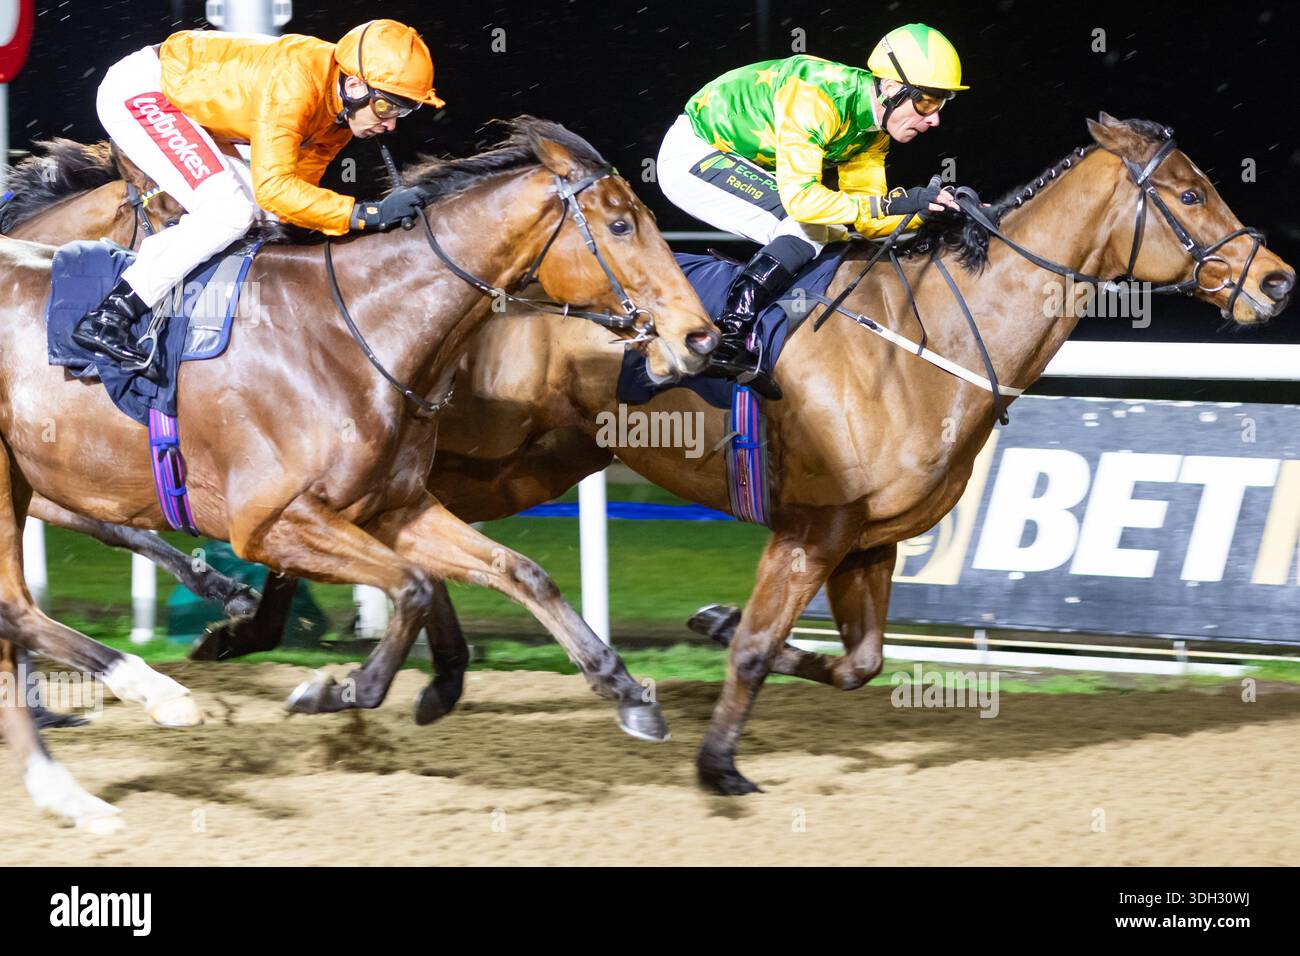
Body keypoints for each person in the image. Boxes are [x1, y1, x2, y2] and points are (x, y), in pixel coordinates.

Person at [73, 19, 443, 371]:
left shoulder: (337, 123)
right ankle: (111, 314)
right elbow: (275, 188)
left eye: (403, 111)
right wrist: (367, 214)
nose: (391, 123)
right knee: (229, 211)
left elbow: (290, 203)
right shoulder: (297, 80)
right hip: (143, 90)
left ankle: (170, 304)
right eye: (386, 106)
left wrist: (366, 225)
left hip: (190, 112)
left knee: (261, 218)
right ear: (355, 87)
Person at [656, 23, 967, 399]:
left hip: (736, 158)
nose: (934, 119)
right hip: (695, 153)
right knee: (806, 226)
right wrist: (897, 203)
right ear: (889, 87)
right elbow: (803, 201)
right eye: (927, 102)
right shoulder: (815, 94)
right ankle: (730, 333)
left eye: (941, 103)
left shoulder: (873, 132)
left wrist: (928, 212)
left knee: (834, 233)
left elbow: (867, 221)